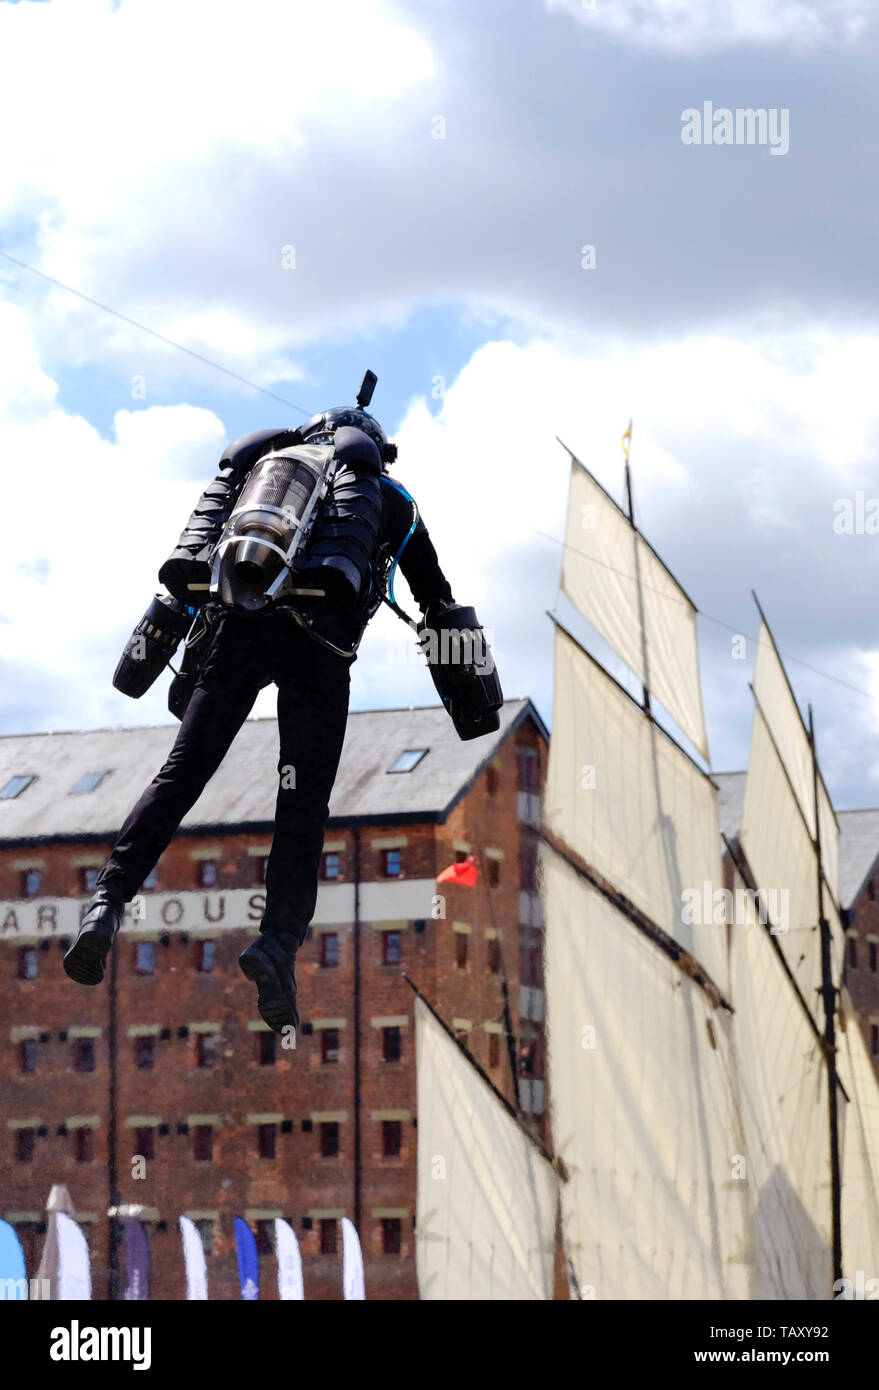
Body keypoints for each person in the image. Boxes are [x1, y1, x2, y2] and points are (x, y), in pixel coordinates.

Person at [62, 392, 466, 1036]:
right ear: (376, 454)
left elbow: (191, 574)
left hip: (240, 632)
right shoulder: (390, 499)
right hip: (321, 652)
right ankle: (277, 943)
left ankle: (107, 904)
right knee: (302, 805)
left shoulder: (260, 476)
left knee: (181, 775)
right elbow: (437, 601)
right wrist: (465, 678)